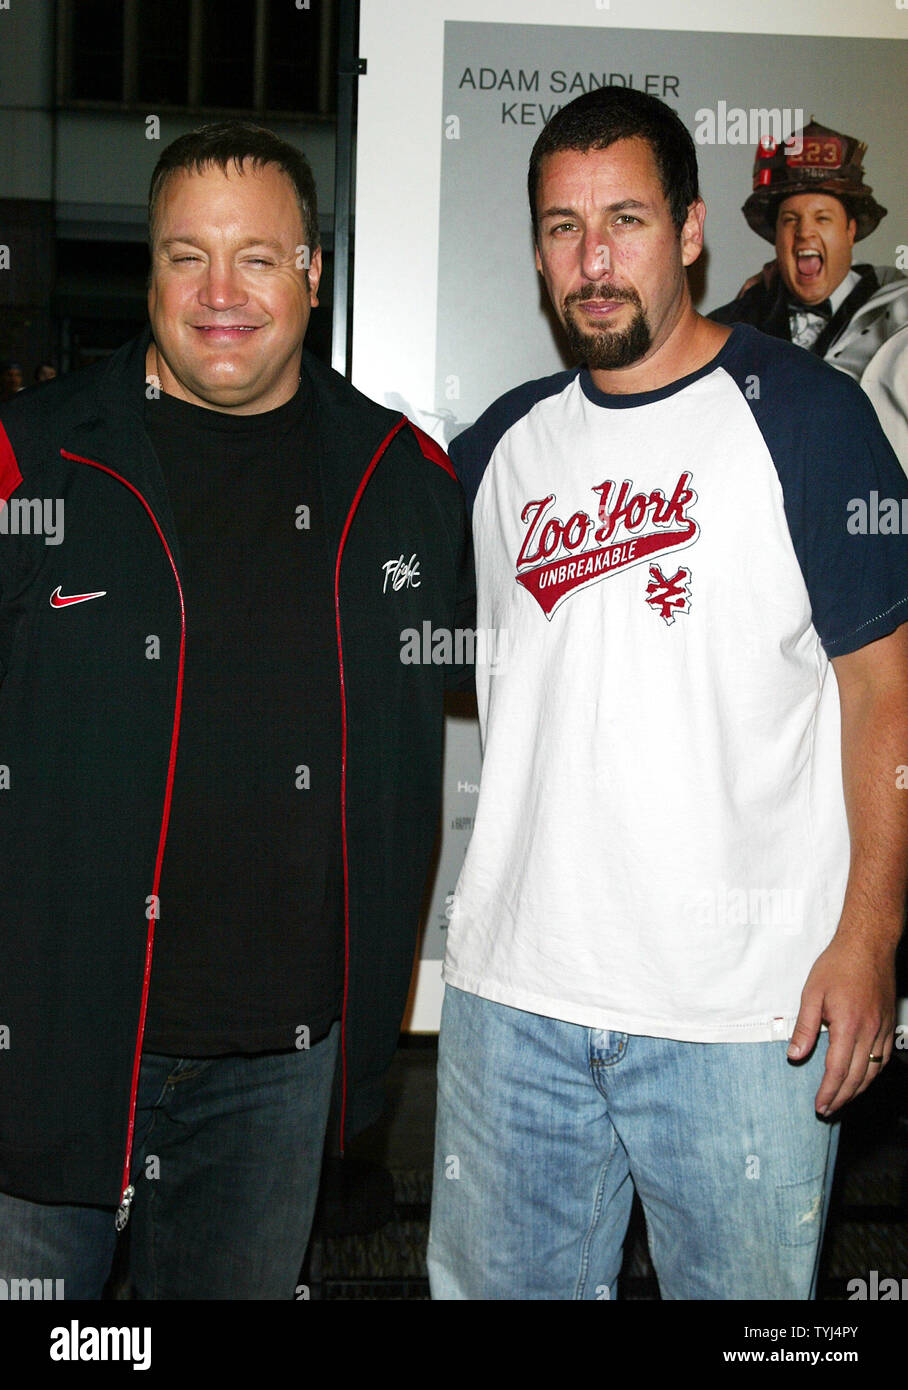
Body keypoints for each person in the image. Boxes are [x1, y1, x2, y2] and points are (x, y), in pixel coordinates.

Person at [428, 87, 908, 1300]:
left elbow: (882, 700)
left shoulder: (809, 421)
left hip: (743, 1019)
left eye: (625, 222)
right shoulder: (497, 450)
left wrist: (869, 935)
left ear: (690, 232)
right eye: (561, 228)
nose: (592, 262)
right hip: (511, 1011)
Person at [0, 120, 474, 1299]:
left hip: (276, 1069)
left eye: (257, 257)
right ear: (148, 270)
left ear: (312, 274)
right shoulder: (33, 461)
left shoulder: (404, 485)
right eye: (185, 256)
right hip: (48, 1055)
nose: (221, 293)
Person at [709, 120, 908, 469]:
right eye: (790, 220)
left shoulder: (901, 318)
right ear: (776, 239)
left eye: (823, 219)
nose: (804, 233)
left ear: (850, 231)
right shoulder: (732, 327)